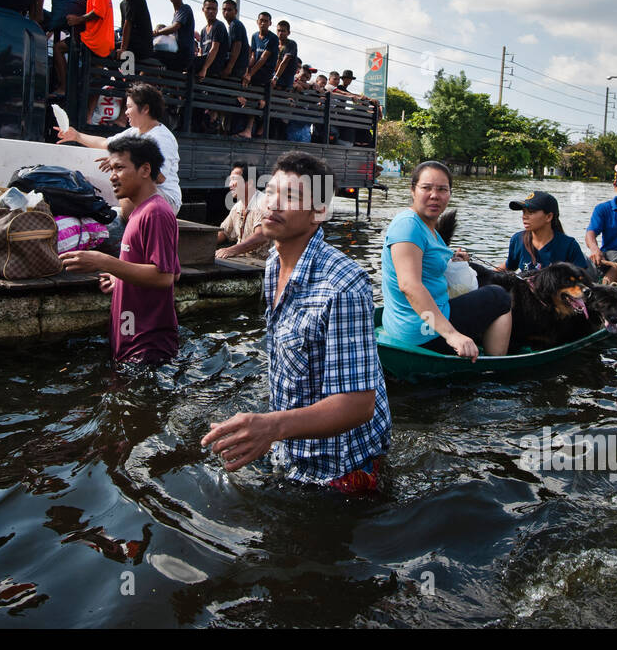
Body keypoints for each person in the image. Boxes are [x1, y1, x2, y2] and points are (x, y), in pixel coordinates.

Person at [200, 152, 391, 491]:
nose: (273, 204)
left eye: (290, 196)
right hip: (292, 448)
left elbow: (359, 405)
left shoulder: (344, 284)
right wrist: (269, 429)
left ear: (319, 213)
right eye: (271, 192)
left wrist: (272, 426)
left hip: (341, 466)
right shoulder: (274, 262)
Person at [60, 135, 180, 364]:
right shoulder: (140, 212)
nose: (112, 176)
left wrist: (103, 261)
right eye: (111, 168)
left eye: (119, 168)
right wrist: (120, 280)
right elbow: (173, 270)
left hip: (146, 347)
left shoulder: (155, 213)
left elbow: (165, 277)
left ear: (145, 170)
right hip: (131, 340)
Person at [381, 161, 513, 358]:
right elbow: (409, 285)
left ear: (450, 193)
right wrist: (452, 335)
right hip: (422, 331)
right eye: (426, 188)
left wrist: (456, 259)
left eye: (442, 189)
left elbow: (426, 261)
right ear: (413, 190)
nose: (435, 195)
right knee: (500, 296)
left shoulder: (426, 227)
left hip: (408, 324)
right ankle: (495, 367)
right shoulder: (408, 226)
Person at [56, 81, 181, 216]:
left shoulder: (161, 138)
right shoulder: (133, 132)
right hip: (139, 195)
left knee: (128, 191)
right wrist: (76, 136)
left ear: (145, 109)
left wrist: (124, 162)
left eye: (129, 107)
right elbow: (105, 143)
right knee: (84, 185)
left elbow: (159, 177)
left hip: (166, 200)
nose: (126, 112)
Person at [505, 191, 593, 274]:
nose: (524, 217)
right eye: (524, 212)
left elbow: (580, 278)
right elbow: (508, 267)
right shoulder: (517, 240)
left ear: (549, 217)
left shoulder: (569, 245)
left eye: (531, 212)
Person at [237, 12, 279, 138]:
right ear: (257, 21)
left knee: (254, 93)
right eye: (261, 20)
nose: (263, 23)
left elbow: (263, 59)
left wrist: (250, 74)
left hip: (266, 71)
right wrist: (246, 71)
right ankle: (242, 96)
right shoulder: (255, 36)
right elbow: (254, 57)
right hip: (255, 70)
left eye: (266, 21)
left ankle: (243, 96)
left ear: (270, 23)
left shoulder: (273, 38)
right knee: (239, 74)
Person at [217, 162, 269, 261]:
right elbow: (223, 233)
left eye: (234, 179)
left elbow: (261, 236)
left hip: (262, 263)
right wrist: (200, 244)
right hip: (245, 260)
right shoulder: (237, 207)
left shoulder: (263, 202)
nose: (230, 184)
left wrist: (231, 250)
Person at [152, 0, 194, 73]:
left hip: (183, 54)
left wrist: (157, 32)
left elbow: (175, 27)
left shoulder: (185, 8)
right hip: (177, 52)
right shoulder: (176, 13)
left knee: (152, 54)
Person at [116, 0, 154, 65]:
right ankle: (121, 78)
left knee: (109, 51)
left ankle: (123, 77)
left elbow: (128, 24)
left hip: (141, 46)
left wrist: (123, 49)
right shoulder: (123, 4)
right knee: (109, 48)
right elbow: (123, 27)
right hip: (131, 44)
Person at [195, 0, 229, 79]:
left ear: (217, 11)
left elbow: (214, 49)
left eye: (214, 9)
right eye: (208, 8)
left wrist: (204, 68)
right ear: (203, 9)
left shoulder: (219, 26)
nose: (211, 11)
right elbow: (201, 51)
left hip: (215, 64)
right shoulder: (203, 30)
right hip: (205, 61)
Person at [219, 0, 248, 80]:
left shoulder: (235, 24)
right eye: (224, 10)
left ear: (236, 11)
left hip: (236, 68)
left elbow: (237, 45)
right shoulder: (232, 25)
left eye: (229, 10)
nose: (226, 12)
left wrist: (229, 67)